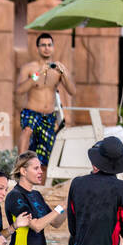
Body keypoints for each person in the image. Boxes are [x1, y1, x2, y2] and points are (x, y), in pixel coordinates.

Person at [16, 32, 74, 166]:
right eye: (43, 45)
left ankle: (41, 184)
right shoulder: (29, 68)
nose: (46, 48)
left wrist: (64, 74)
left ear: (53, 47)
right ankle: (19, 166)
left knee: (45, 155)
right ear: (37, 48)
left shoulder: (59, 69)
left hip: (48, 116)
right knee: (27, 130)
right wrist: (38, 73)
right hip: (32, 112)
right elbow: (19, 90)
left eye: (49, 45)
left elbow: (72, 91)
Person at [5, 152, 66, 245]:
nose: (41, 171)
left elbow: (56, 222)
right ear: (23, 171)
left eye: (40, 167)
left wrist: (68, 205)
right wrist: (60, 207)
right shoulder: (15, 196)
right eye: (36, 168)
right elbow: (36, 226)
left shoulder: (36, 195)